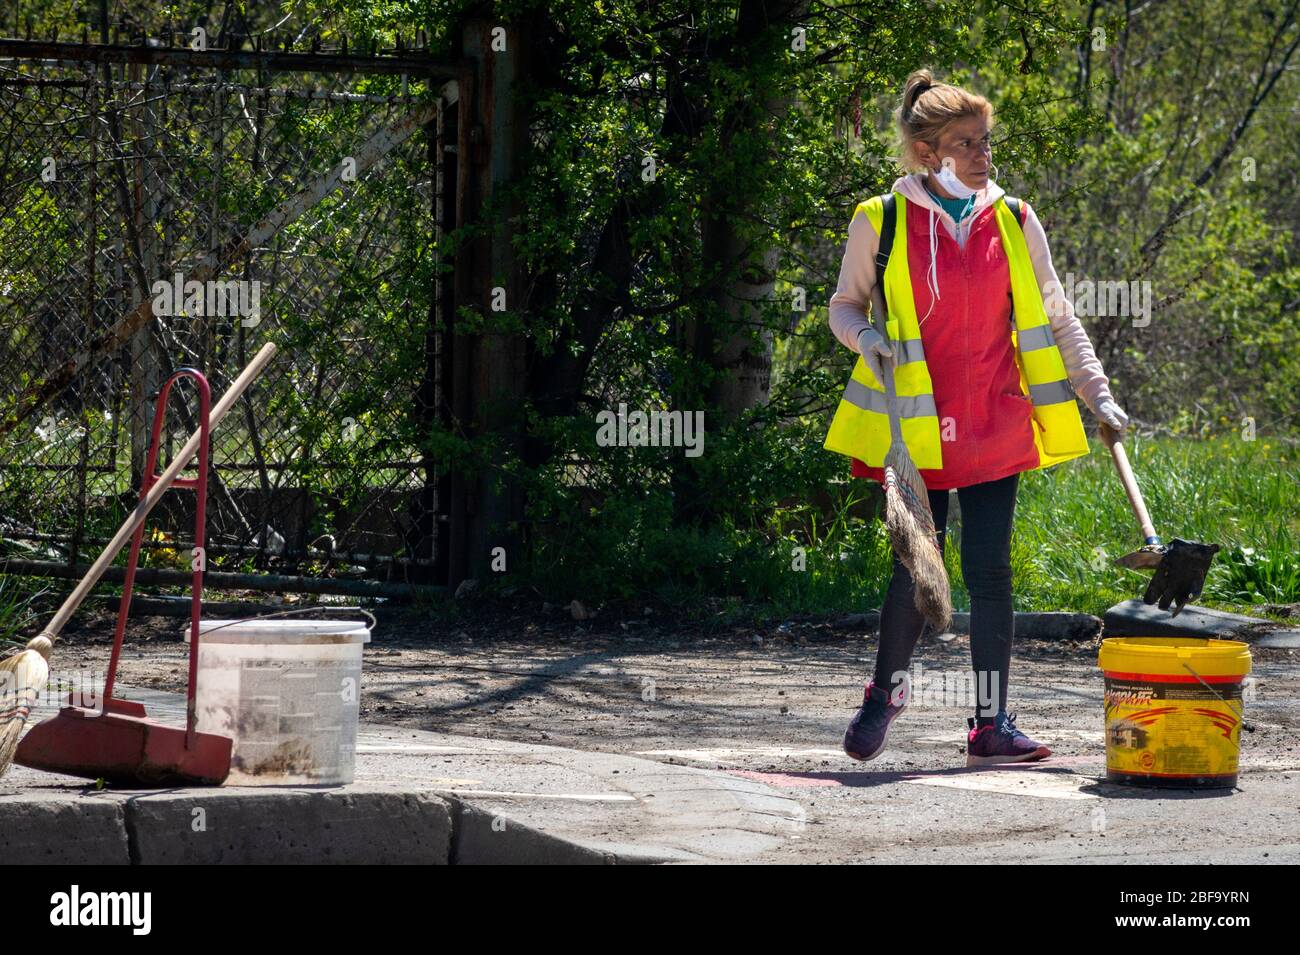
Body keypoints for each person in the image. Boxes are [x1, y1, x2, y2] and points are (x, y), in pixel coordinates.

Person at [828, 69, 1129, 766]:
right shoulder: (880, 219)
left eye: (986, 141)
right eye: (966, 142)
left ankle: (991, 724)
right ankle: (883, 695)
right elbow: (844, 306)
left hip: (995, 419)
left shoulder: (1016, 219)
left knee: (990, 570)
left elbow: (1058, 316)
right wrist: (865, 337)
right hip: (916, 424)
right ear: (928, 152)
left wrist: (1098, 392)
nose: (983, 154)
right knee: (916, 565)